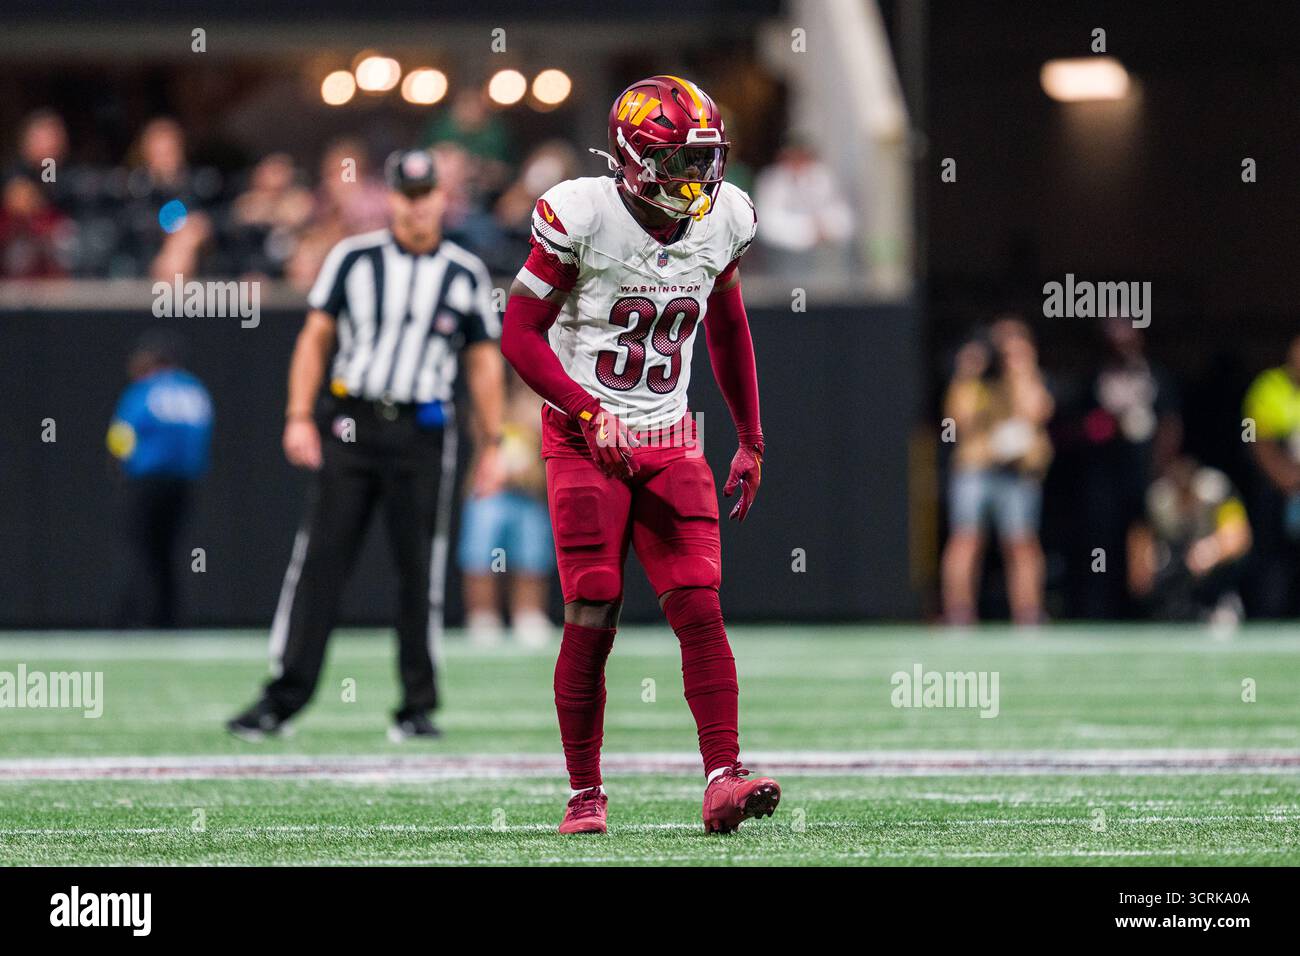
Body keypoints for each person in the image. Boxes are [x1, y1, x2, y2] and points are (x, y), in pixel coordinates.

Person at [500, 75, 780, 835]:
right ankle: (584, 792)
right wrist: (587, 411)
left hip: (668, 436)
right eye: (677, 162)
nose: (696, 180)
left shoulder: (725, 220)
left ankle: (724, 776)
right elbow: (519, 333)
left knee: (699, 600)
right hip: (583, 440)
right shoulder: (582, 213)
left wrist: (749, 437)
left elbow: (727, 328)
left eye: (703, 161)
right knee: (592, 607)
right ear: (629, 158)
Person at [227, 149, 506, 742]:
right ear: (392, 200)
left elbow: (483, 362)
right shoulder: (353, 258)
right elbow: (315, 337)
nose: (417, 203)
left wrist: (494, 443)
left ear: (440, 198)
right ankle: (283, 697)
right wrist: (299, 415)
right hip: (352, 424)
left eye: (427, 192)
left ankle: (416, 704)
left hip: (425, 430)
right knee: (320, 563)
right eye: (407, 193)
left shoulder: (464, 272)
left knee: (419, 574)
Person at [941, 318, 1054, 626]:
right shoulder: (975, 382)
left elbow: (1037, 413)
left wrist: (1022, 368)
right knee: (966, 539)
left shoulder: (1027, 378)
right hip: (976, 469)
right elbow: (956, 420)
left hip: (1017, 472)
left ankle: (1028, 612)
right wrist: (967, 371)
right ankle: (959, 612)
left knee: (1021, 542)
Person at [1076, 317, 1182, 618]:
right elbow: (1083, 425)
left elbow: (1171, 422)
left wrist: (1162, 466)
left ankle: (1145, 608)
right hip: (1105, 476)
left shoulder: (1155, 376)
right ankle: (1101, 610)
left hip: (1145, 472)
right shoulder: (1097, 376)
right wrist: (1111, 427)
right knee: (1103, 543)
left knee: (1145, 542)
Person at [106, 331, 213, 627]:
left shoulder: (145, 390)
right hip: (184, 483)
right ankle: (167, 619)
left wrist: (119, 467)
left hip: (146, 482)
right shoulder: (194, 390)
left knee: (140, 550)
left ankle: (133, 618)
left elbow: (121, 436)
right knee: (167, 553)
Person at [458, 372, 555, 648]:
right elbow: (477, 432)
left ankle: (528, 615)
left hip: (530, 494)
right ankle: (482, 617)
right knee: (480, 557)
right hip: (490, 492)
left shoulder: (544, 404)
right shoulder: (490, 401)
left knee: (531, 559)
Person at [1127, 456, 1251, 624]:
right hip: (1172, 580)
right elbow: (1139, 558)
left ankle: (1219, 608)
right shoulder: (1157, 498)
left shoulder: (1217, 491)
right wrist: (1145, 565)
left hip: (1211, 579)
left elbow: (1240, 536)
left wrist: (1213, 550)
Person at [1240, 335, 1300, 616]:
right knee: (1274, 563)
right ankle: (1268, 615)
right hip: (1277, 492)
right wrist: (1287, 480)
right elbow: (1254, 438)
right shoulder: (1268, 386)